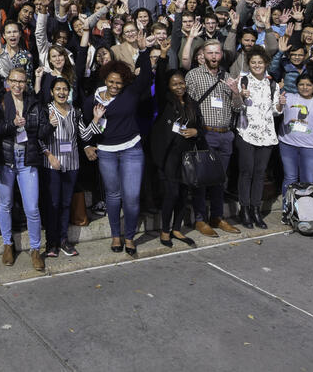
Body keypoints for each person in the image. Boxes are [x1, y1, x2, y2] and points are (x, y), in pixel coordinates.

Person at [86, 53, 154, 256]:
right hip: (106, 152)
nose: (115, 85)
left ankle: (130, 236)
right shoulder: (92, 100)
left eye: (119, 82)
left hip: (132, 150)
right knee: (113, 196)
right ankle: (116, 235)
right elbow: (85, 127)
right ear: (105, 80)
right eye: (111, 82)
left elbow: (145, 78)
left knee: (131, 197)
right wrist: (88, 145)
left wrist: (144, 52)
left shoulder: (130, 93)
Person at [184, 40, 243, 237]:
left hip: (225, 134)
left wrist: (235, 93)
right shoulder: (193, 75)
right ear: (203, 55)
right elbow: (188, 105)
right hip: (205, 134)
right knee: (202, 179)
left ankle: (217, 216)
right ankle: (200, 219)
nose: (214, 57)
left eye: (217, 53)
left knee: (220, 179)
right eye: (210, 53)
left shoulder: (228, 77)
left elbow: (237, 108)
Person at [0, 67, 46, 270]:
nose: (17, 85)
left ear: (26, 83)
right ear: (8, 82)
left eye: (22, 81)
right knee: (5, 205)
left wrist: (47, 125)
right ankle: (7, 244)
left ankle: (35, 249)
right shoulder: (0, 102)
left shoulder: (33, 102)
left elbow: (41, 129)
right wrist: (13, 125)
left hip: (27, 159)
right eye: (14, 81)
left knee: (32, 208)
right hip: (6, 160)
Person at [38, 77, 92, 257]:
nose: (61, 92)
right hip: (52, 163)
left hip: (72, 164)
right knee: (52, 204)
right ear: (52, 92)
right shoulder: (46, 110)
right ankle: (50, 243)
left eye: (64, 89)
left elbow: (84, 134)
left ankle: (63, 240)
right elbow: (38, 137)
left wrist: (97, 120)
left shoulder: (75, 111)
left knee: (65, 203)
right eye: (58, 89)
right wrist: (49, 155)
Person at [148, 71, 199, 247]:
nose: (179, 87)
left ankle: (177, 229)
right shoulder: (165, 101)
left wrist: (196, 132)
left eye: (181, 83)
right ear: (169, 87)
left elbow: (200, 126)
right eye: (175, 84)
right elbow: (160, 81)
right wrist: (162, 56)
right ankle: (164, 231)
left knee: (184, 194)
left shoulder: (192, 102)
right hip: (169, 155)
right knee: (172, 193)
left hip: (186, 155)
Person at [234, 49, 283, 229]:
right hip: (246, 133)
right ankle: (244, 209)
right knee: (246, 172)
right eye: (253, 62)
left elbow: (276, 111)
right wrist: (240, 95)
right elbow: (236, 107)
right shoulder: (243, 81)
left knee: (260, 174)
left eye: (260, 63)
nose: (257, 65)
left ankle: (256, 209)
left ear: (266, 64)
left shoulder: (273, 85)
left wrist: (281, 104)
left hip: (267, 135)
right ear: (249, 63)